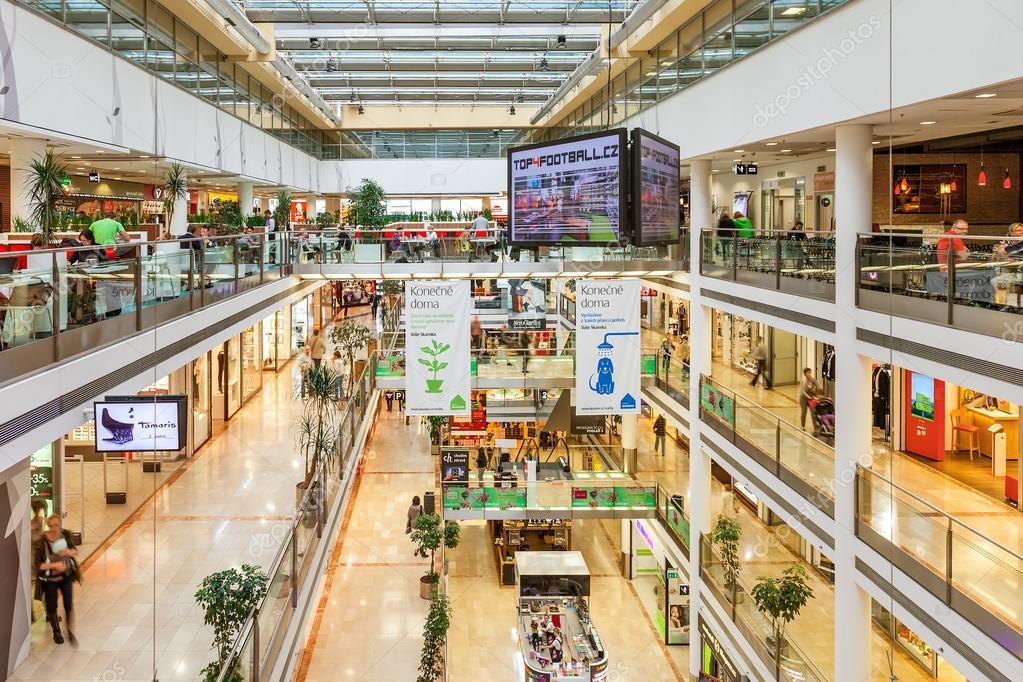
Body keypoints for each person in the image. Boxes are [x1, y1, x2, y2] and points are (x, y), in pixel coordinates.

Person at [34, 514, 78, 644]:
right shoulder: (42, 542)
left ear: (60, 524)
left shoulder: (65, 536)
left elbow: (75, 551)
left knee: (68, 604)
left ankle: (69, 630)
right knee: (52, 606)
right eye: (52, 526)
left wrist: (69, 552)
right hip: (50, 579)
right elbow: (39, 565)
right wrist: (54, 565)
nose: (55, 528)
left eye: (57, 525)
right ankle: (56, 632)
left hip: (66, 576)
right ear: (48, 526)